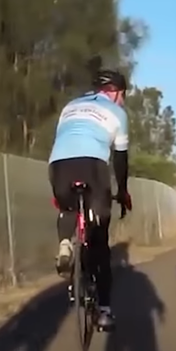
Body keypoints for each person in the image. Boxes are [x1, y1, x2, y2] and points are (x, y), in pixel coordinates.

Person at [47, 68, 133, 331]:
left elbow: (65, 139)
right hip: (92, 166)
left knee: (68, 206)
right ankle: (105, 311)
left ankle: (65, 245)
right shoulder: (118, 113)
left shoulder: (70, 106)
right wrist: (123, 190)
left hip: (58, 165)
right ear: (117, 93)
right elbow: (120, 160)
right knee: (100, 243)